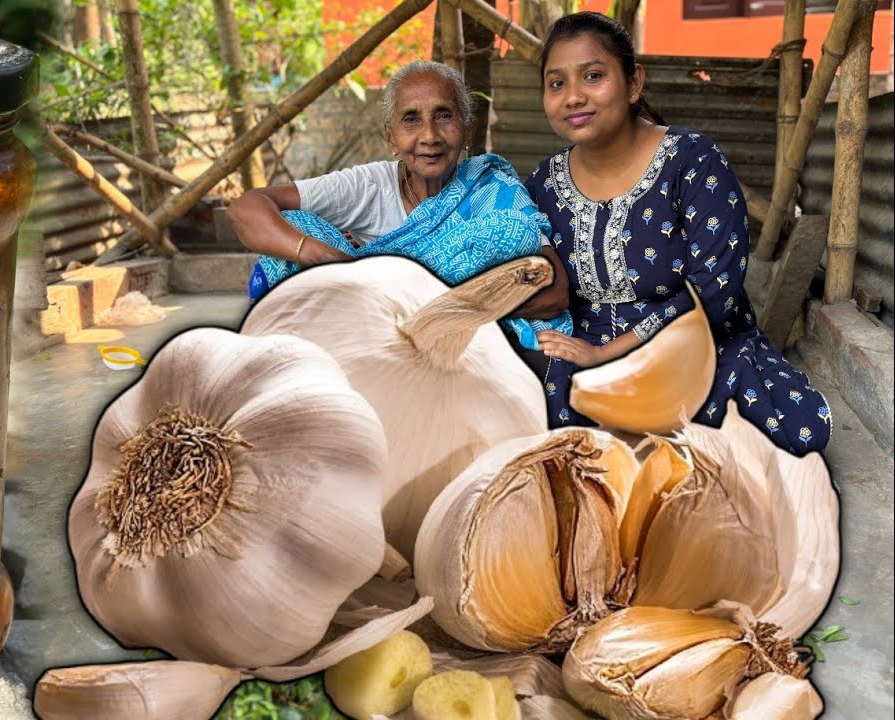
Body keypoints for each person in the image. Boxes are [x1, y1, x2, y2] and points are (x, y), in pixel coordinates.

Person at [525, 11, 831, 456]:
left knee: (787, 422)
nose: (573, 97)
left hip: (693, 340)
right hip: (582, 341)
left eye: (593, 76)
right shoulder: (543, 183)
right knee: (528, 401)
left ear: (633, 83)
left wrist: (609, 353)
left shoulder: (693, 162)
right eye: (556, 83)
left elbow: (716, 292)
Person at [227, 60, 570, 352]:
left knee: (511, 232)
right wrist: (330, 259)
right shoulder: (370, 186)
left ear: (467, 130)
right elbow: (247, 208)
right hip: (366, 331)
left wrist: (440, 316)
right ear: (390, 138)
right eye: (410, 119)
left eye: (444, 116)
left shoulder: (493, 188)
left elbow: (555, 293)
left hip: (459, 344)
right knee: (293, 226)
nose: (429, 136)